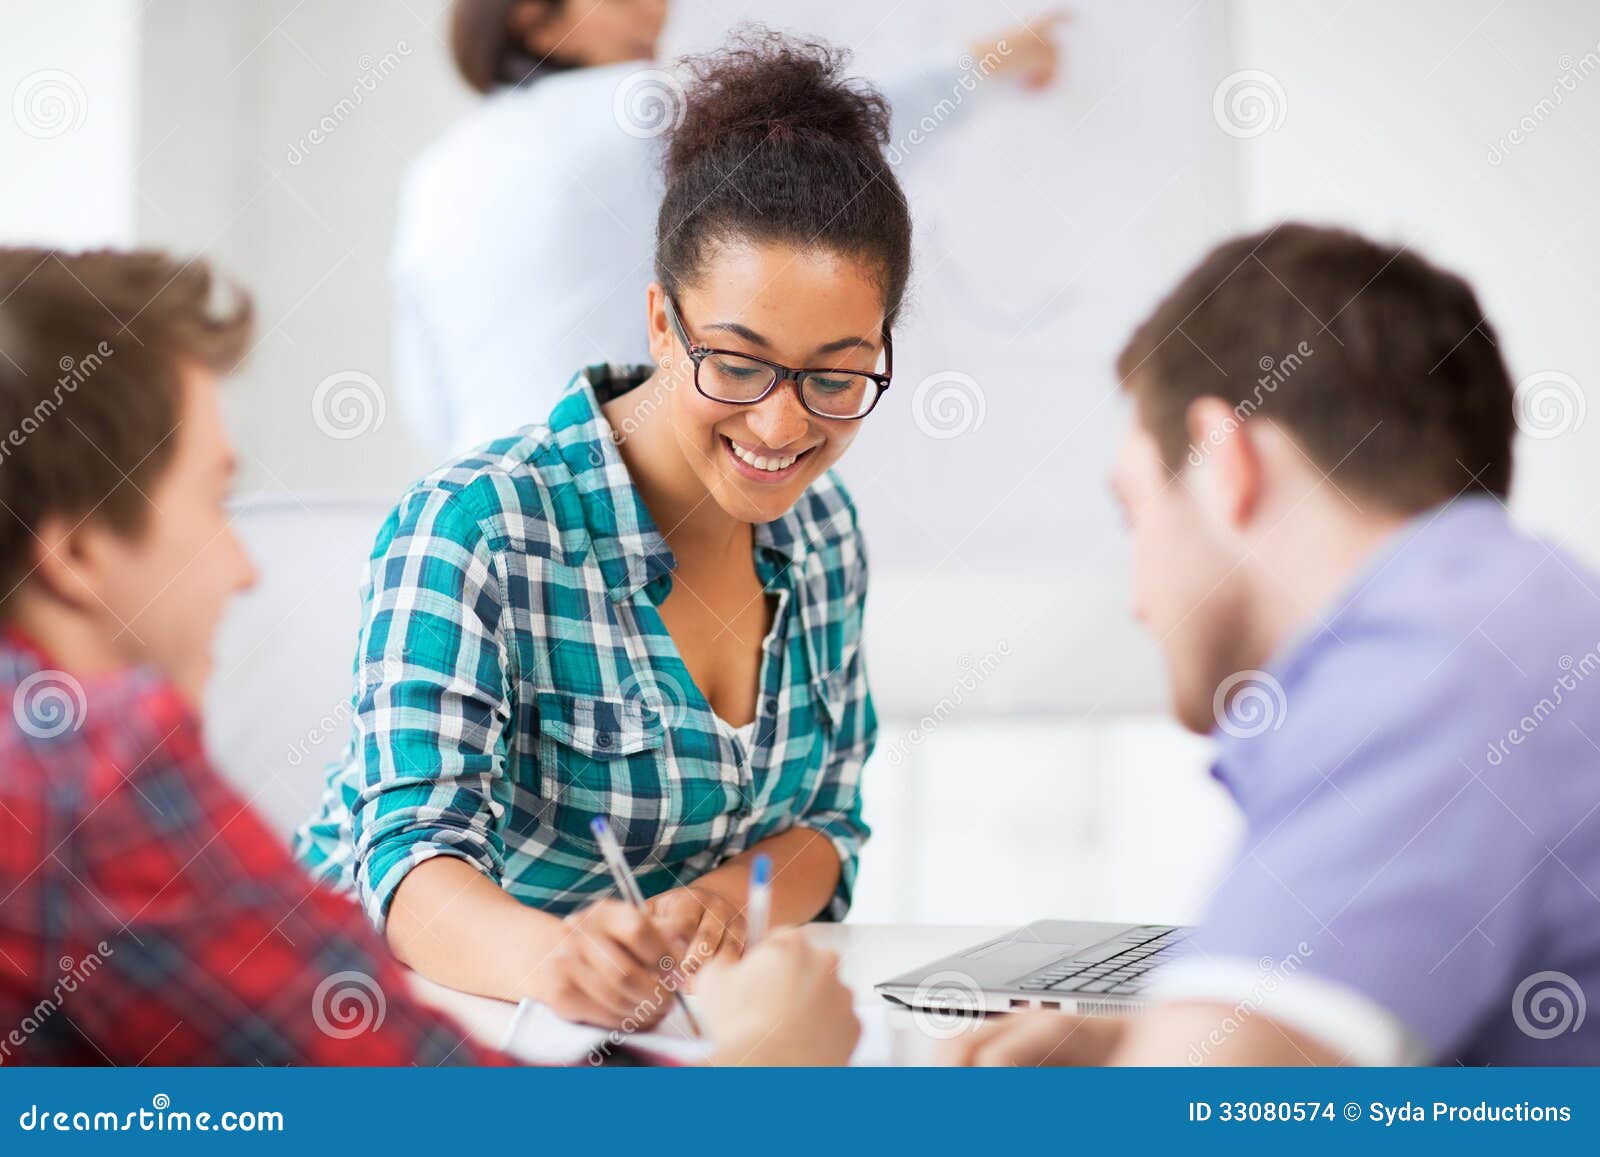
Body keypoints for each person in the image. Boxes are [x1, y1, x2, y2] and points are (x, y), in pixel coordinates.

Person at [0, 247, 860, 1067]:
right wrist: (754, 1066)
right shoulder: (91, 782)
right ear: (76, 555)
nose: (245, 563)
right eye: (215, 500)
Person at [298, 31, 919, 1031]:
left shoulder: (824, 531)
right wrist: (561, 957)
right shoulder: (478, 527)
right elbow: (409, 861)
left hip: (638, 1038)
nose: (782, 424)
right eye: (739, 361)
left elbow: (826, 823)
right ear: (661, 324)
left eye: (836, 375)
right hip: (381, 1027)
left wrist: (715, 909)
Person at [946, 223, 1600, 1066]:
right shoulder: (1519, 618)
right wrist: (1141, 1050)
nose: (1136, 599)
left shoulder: (1443, 668)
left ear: (1225, 463)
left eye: (1133, 510)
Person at [394, 1, 1068, 456]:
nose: (660, 10)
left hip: (488, 489)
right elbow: (821, 144)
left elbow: (427, 402)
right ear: (534, 20)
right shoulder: (634, 106)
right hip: (625, 494)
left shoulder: (432, 175)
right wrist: (983, 63)